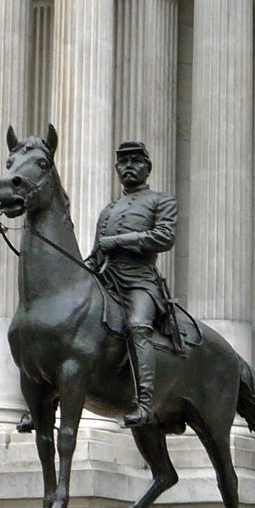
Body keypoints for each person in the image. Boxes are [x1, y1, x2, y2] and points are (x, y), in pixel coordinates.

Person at [85, 139, 179, 427]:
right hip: (107, 279)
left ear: (147, 168)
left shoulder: (162, 201)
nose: (129, 167)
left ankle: (145, 402)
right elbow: (95, 256)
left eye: (136, 162)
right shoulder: (108, 211)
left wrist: (120, 241)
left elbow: (164, 237)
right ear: (116, 169)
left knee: (138, 326)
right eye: (123, 163)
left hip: (140, 280)